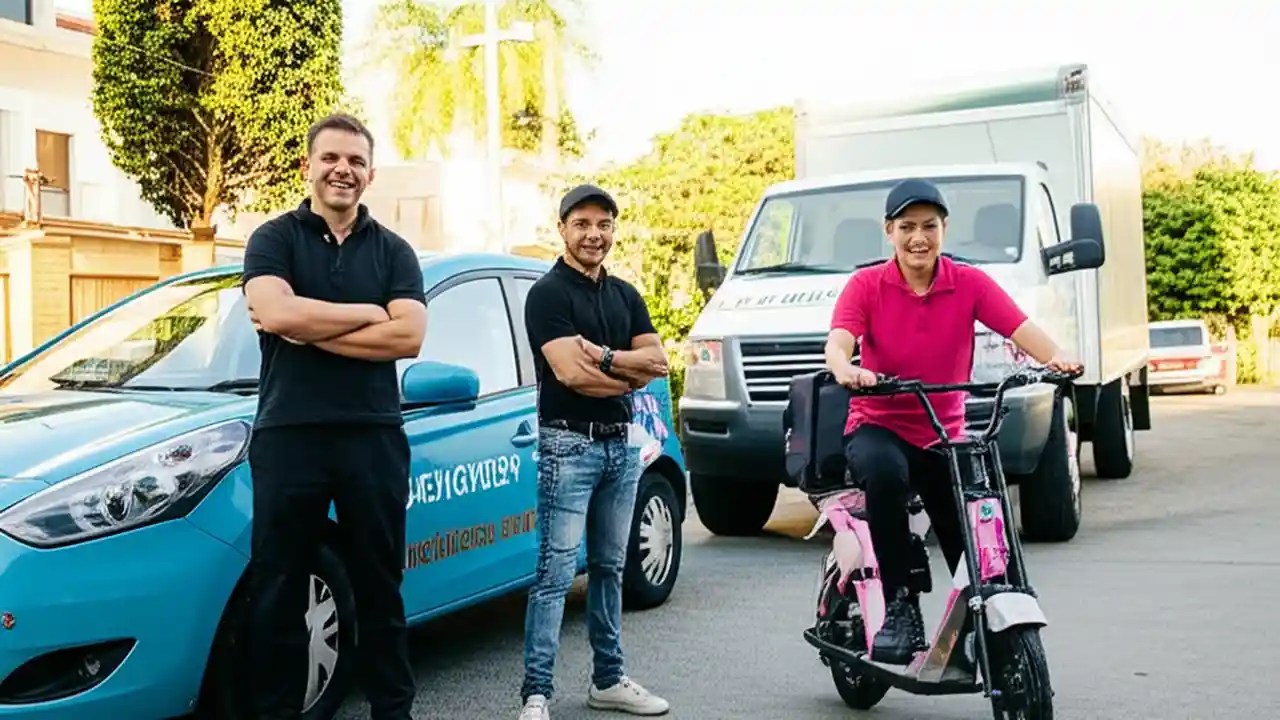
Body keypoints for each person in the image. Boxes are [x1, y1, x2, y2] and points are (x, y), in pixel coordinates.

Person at [823, 178, 1082, 665]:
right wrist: (847, 368)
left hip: (943, 432)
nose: (918, 237)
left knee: (972, 512)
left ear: (944, 229)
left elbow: (1020, 328)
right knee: (885, 473)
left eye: (929, 226)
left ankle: (983, 611)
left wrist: (1058, 357)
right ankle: (900, 605)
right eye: (907, 227)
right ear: (889, 232)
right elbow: (839, 341)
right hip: (878, 424)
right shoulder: (866, 285)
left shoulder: (969, 283)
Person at [240, 112, 427, 720]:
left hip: (372, 436)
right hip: (289, 435)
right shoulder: (273, 239)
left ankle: (391, 712)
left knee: (380, 589)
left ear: (369, 176)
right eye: (330, 158)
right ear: (309, 167)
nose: (342, 169)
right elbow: (275, 314)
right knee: (277, 591)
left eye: (354, 161)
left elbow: (410, 338)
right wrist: (370, 314)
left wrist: (307, 322)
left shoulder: (394, 251)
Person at [518, 184, 672, 720]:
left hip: (619, 448)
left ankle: (608, 680)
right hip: (567, 444)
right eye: (582, 223)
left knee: (610, 568)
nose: (594, 234)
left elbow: (657, 363)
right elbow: (568, 373)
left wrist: (606, 358)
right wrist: (627, 374)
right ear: (562, 228)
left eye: (603, 224)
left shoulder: (625, 294)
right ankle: (536, 693)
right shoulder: (547, 294)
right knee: (555, 574)